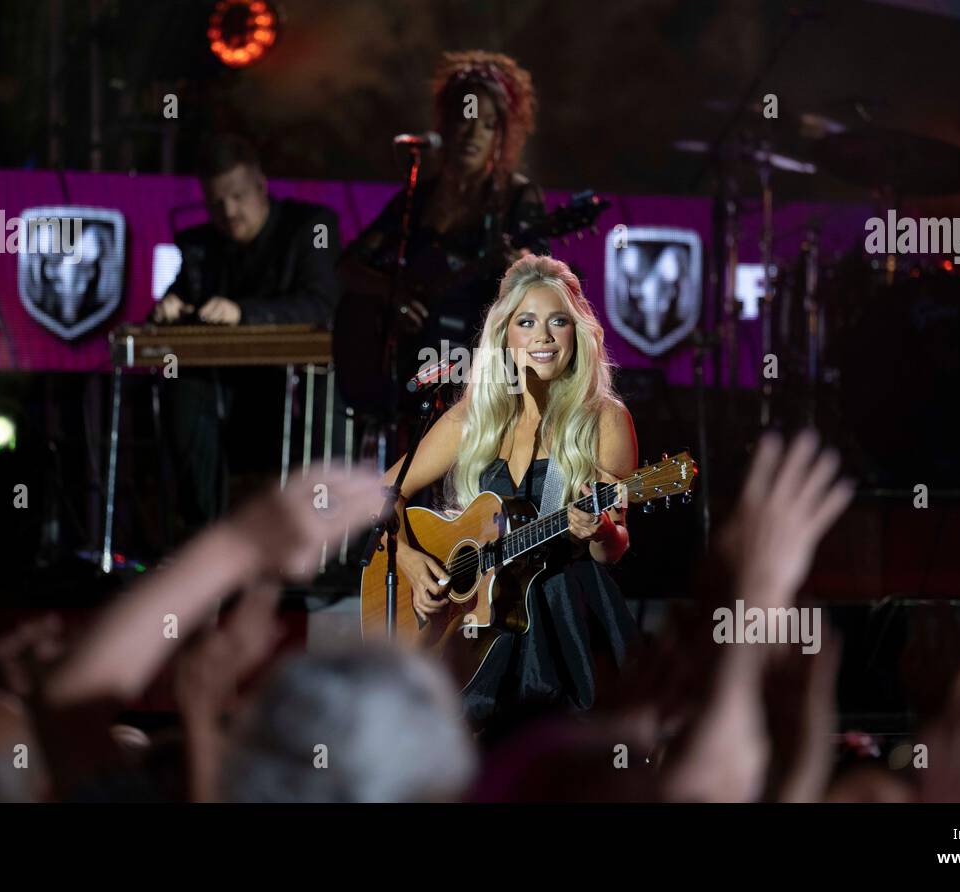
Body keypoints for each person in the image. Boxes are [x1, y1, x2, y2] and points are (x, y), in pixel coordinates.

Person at [377, 253, 640, 740]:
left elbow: (614, 549)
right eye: (526, 322)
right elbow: (381, 494)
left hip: (565, 623)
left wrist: (599, 528)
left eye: (557, 321)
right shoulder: (471, 419)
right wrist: (411, 561)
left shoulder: (604, 419)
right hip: (478, 625)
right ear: (504, 336)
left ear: (576, 334)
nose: (542, 336)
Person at [336, 50, 549, 430]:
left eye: (487, 124)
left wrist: (521, 269)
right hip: (408, 367)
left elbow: (542, 285)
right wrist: (395, 294)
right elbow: (348, 266)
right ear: (446, 124)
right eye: (464, 119)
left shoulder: (516, 198)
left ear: (502, 134)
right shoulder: (418, 197)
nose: (472, 134)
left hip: (478, 369)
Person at [150, 133, 341, 531]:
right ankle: (204, 533)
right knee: (180, 387)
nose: (228, 210)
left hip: (293, 387)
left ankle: (310, 542)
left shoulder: (310, 228)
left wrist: (243, 312)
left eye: (238, 196)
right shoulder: (201, 244)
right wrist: (170, 306)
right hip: (224, 389)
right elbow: (183, 295)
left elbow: (321, 305)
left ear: (261, 186)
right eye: (216, 202)